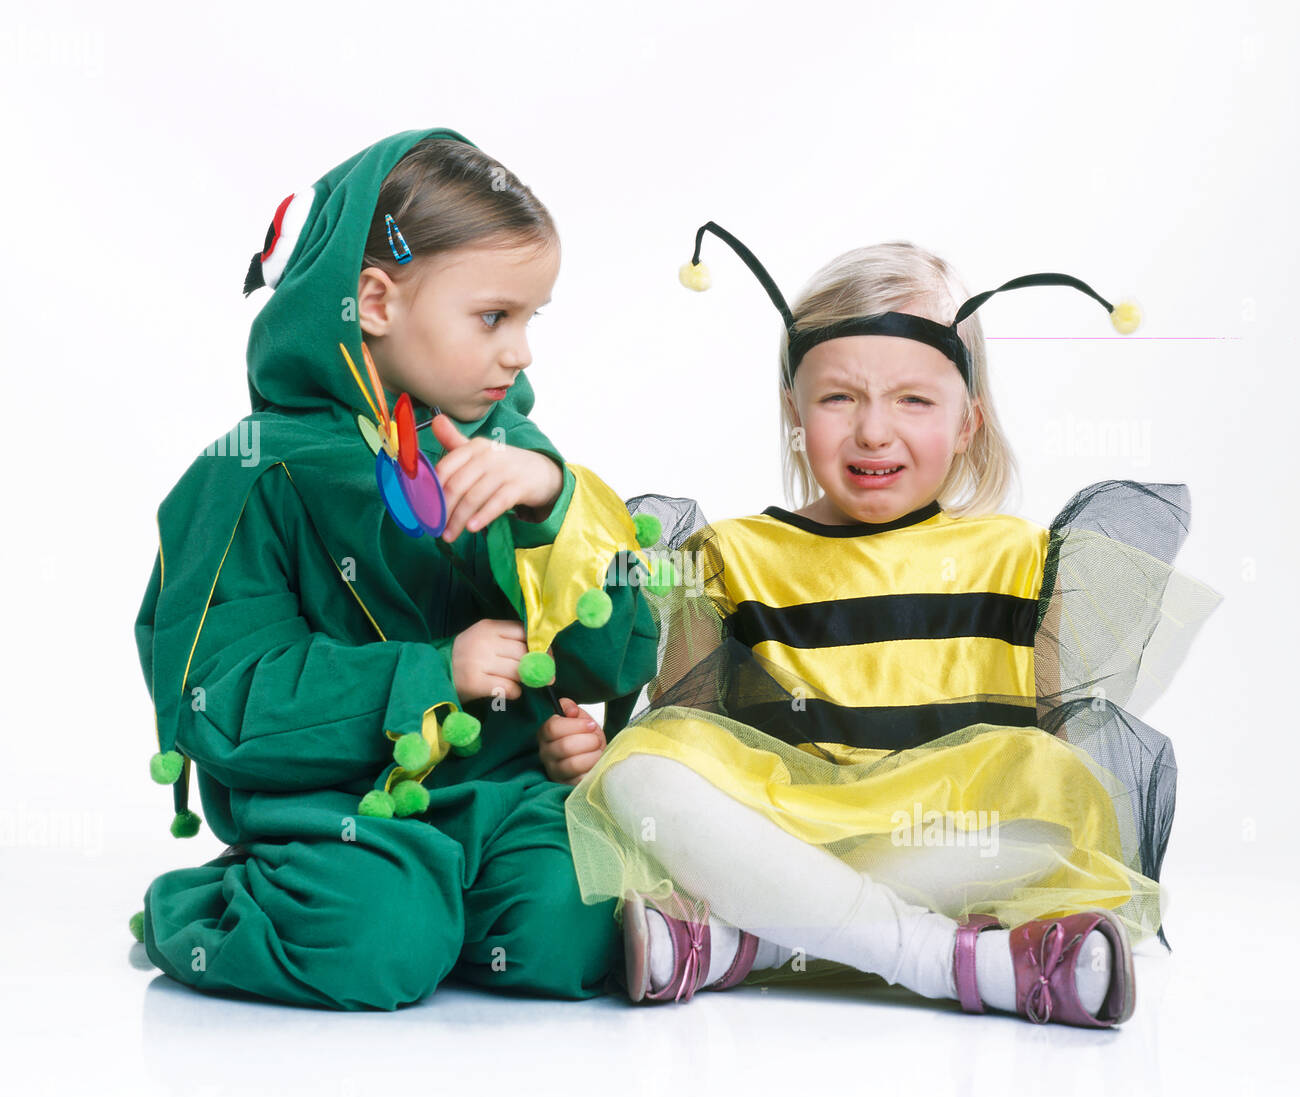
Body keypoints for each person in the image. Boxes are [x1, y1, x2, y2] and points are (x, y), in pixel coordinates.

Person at [558, 223, 1221, 1027]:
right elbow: (688, 725)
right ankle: (952, 960)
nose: (874, 430)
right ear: (794, 409)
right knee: (643, 769)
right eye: (840, 397)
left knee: (1062, 792)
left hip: (938, 841)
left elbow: (1046, 738)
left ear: (969, 421)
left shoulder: (1017, 559)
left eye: (914, 399)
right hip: (784, 825)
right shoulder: (731, 555)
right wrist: (594, 746)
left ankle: (752, 939)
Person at [131, 127, 659, 1011]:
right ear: (374, 301)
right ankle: (211, 912)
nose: (521, 351)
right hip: (342, 813)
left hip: (501, 796)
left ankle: (448, 911)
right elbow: (217, 702)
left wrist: (554, 509)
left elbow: (622, 659)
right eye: (494, 317)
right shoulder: (248, 474)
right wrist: (430, 673)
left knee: (574, 933)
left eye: (532, 319)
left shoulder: (512, 454)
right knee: (374, 938)